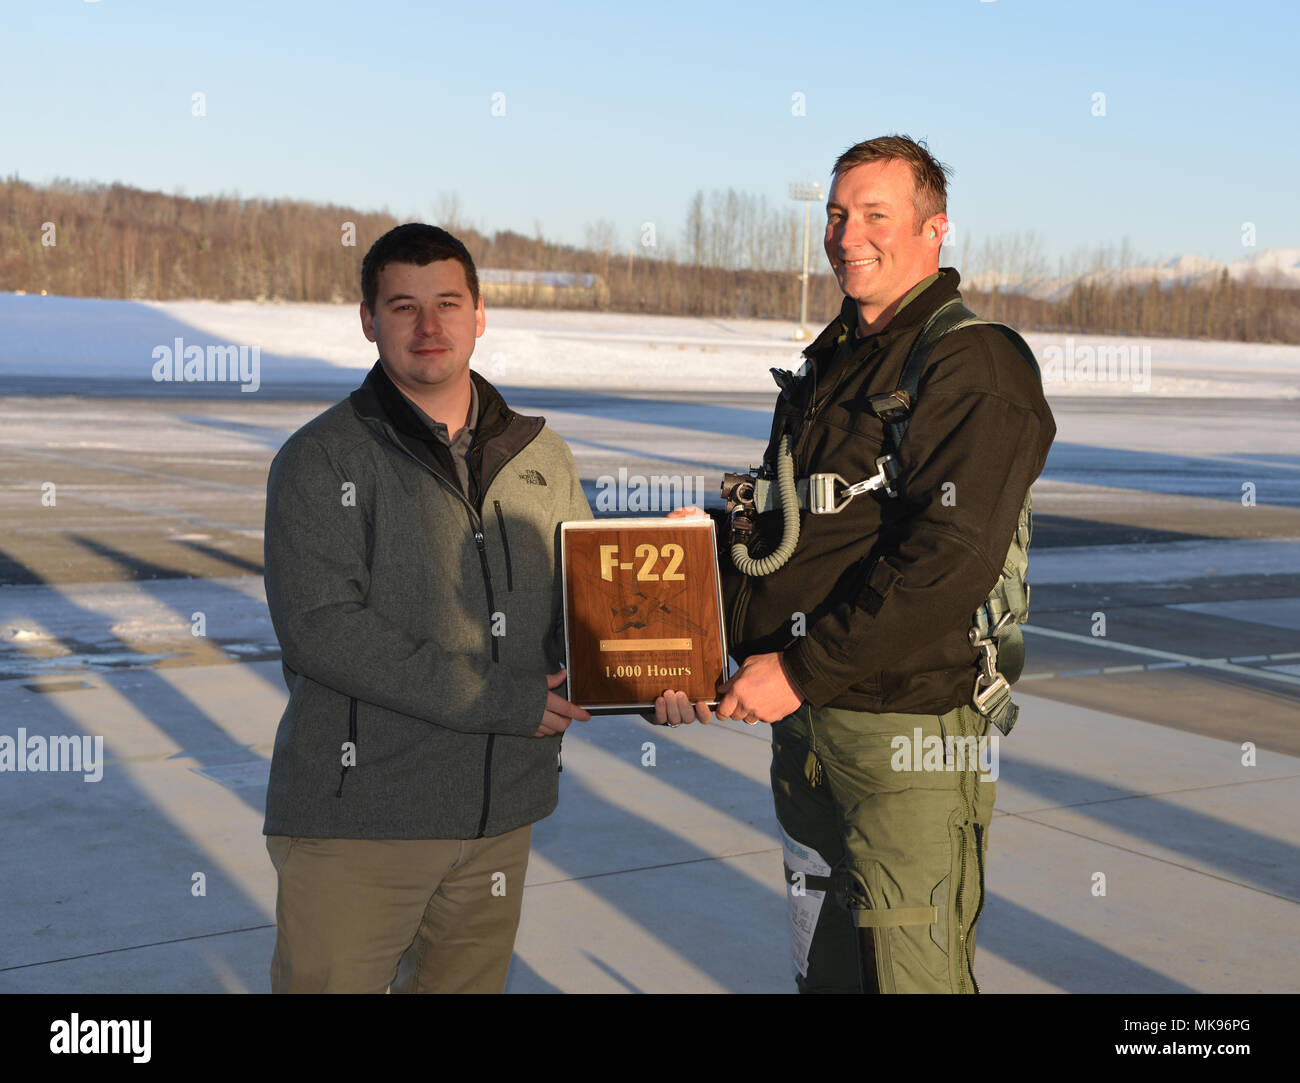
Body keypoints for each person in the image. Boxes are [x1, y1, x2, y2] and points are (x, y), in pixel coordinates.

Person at [656, 135, 1056, 993]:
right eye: (837, 215)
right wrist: (685, 627)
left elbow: (948, 561)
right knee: (827, 973)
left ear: (934, 228)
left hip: (904, 734)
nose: (848, 235)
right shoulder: (829, 362)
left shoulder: (971, 362)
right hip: (806, 733)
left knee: (911, 975)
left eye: (876, 215)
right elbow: (788, 538)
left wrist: (800, 667)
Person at [261, 223, 592, 993]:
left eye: (447, 302)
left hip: (498, 820)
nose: (429, 326)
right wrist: (500, 698)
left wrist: (655, 668)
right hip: (363, 819)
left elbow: (583, 608)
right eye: (403, 306)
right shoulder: (323, 458)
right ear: (368, 321)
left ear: (481, 314)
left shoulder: (543, 456)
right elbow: (324, 631)